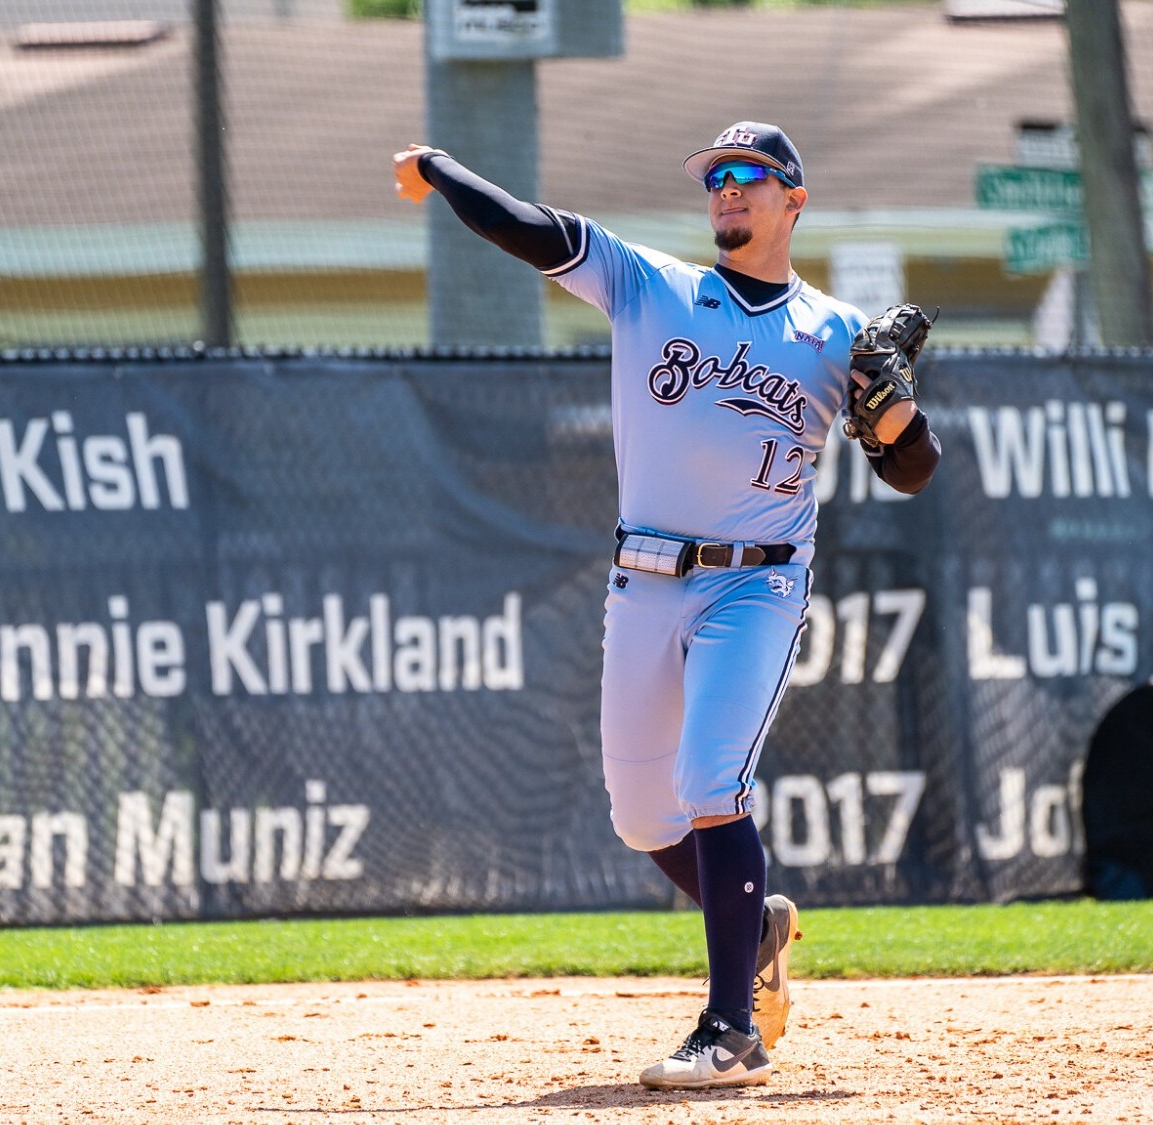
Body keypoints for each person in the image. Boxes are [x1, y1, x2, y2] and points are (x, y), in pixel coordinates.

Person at [392, 121, 940, 1090]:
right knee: (643, 817)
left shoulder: (830, 333)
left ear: (791, 200)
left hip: (755, 580)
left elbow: (912, 471)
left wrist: (895, 418)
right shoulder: (651, 284)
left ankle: (730, 1028)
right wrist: (443, 170)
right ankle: (758, 923)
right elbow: (531, 229)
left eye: (748, 176)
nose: (726, 190)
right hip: (642, 578)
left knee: (710, 783)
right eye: (714, 179)